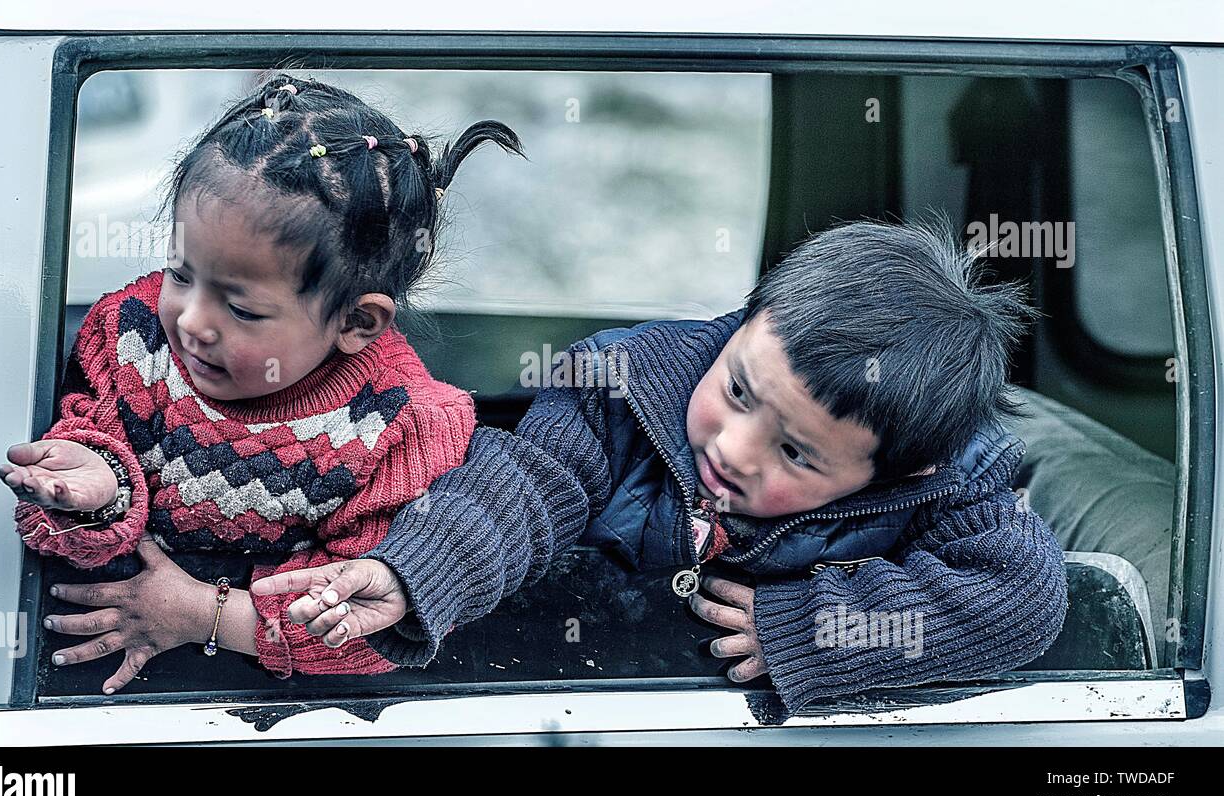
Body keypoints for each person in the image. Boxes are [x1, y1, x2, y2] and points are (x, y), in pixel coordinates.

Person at [260, 220, 1070, 712]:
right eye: (740, 390)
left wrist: (817, 631)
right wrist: (411, 576)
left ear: (900, 476)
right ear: (746, 320)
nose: (732, 448)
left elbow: (1022, 595)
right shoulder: (623, 388)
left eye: (794, 452)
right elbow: (523, 485)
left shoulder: (950, 481)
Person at [0, 73, 524, 694]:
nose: (192, 321)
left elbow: (368, 623)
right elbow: (93, 438)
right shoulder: (133, 337)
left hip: (256, 701)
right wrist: (100, 485)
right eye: (180, 274)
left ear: (356, 321)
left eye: (241, 310)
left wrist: (198, 613)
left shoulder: (405, 427)